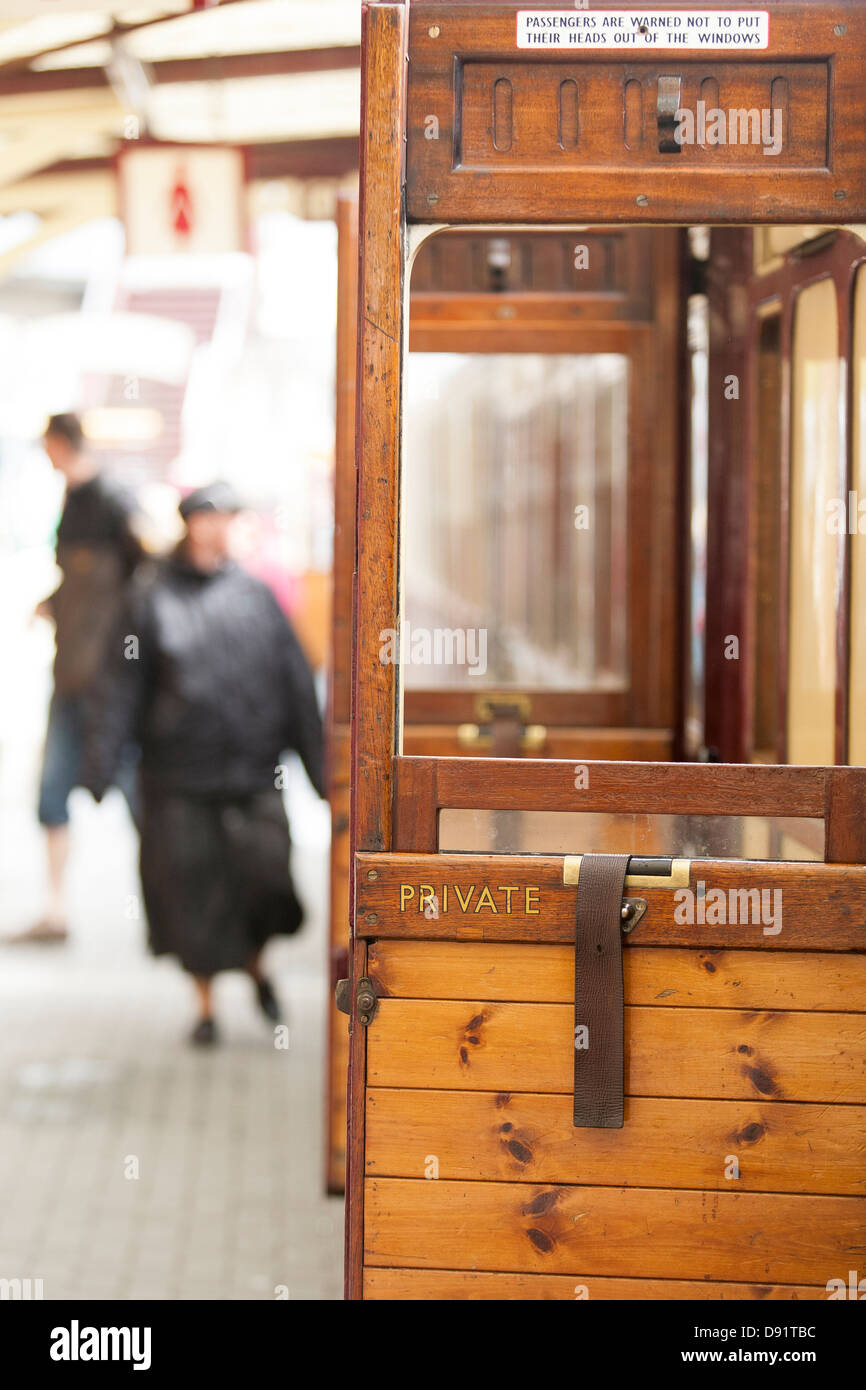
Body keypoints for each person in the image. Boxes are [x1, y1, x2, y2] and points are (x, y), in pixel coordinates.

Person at [81, 481, 324, 1045]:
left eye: (226, 516)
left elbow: (294, 685)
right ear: (188, 523)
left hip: (252, 773)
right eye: (205, 517)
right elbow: (119, 684)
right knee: (190, 895)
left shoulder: (257, 597)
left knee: (264, 883)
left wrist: (320, 773)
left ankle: (258, 969)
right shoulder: (150, 596)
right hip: (178, 780)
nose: (216, 527)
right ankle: (206, 1007)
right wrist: (100, 761)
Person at [10, 413, 144, 944]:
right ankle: (56, 908)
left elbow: (139, 584)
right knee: (51, 792)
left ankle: (165, 902)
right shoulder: (71, 500)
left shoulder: (113, 499)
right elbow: (76, 583)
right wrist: (53, 605)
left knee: (136, 792)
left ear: (61, 445)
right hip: (70, 674)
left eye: (47, 448)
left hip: (108, 684)